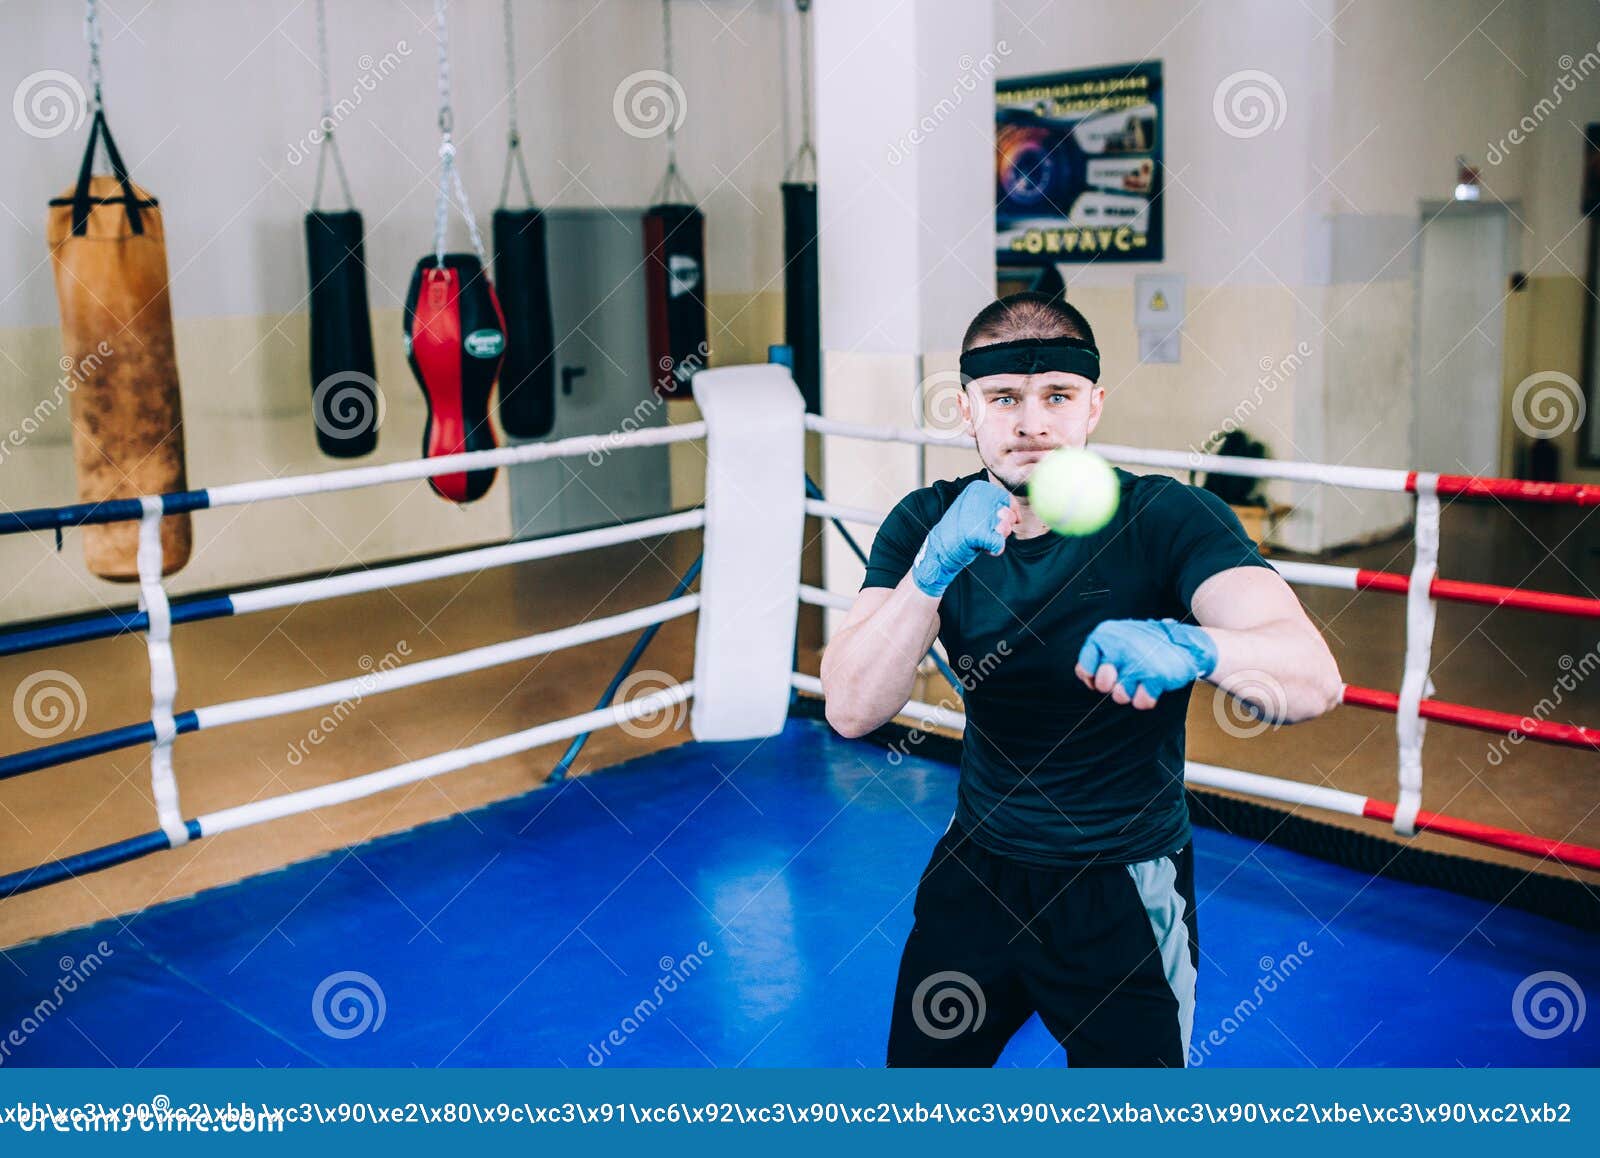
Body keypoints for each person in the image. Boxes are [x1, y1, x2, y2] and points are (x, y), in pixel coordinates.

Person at [819, 292, 1342, 1067]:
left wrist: (1195, 647)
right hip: (980, 872)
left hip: (1123, 888)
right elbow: (852, 709)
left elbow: (1315, 679)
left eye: (1056, 396)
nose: (1031, 422)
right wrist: (931, 572)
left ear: (1093, 406)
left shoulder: (1167, 519)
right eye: (1004, 398)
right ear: (966, 409)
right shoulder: (928, 520)